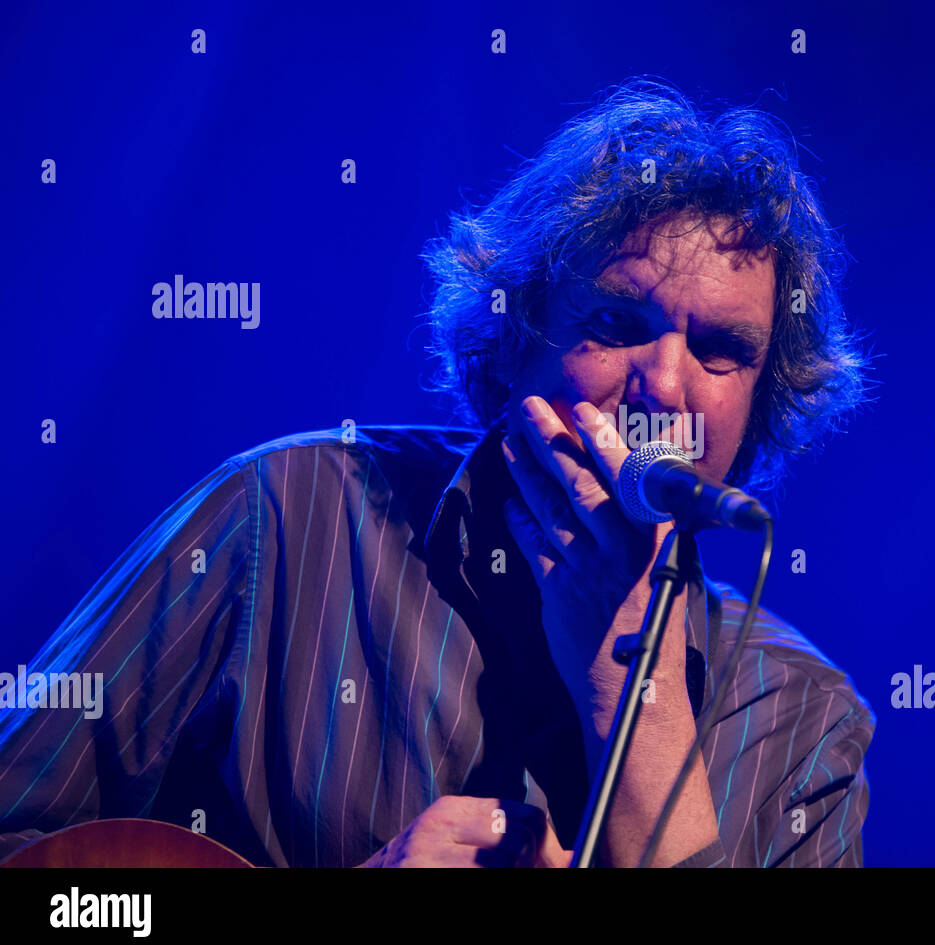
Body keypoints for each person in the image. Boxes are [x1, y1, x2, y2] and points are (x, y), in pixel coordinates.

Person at [0, 78, 877, 868]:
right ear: (517, 335)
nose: (666, 387)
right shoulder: (286, 516)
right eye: (615, 321)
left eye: (723, 350)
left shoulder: (803, 723)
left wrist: (631, 691)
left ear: (763, 403)